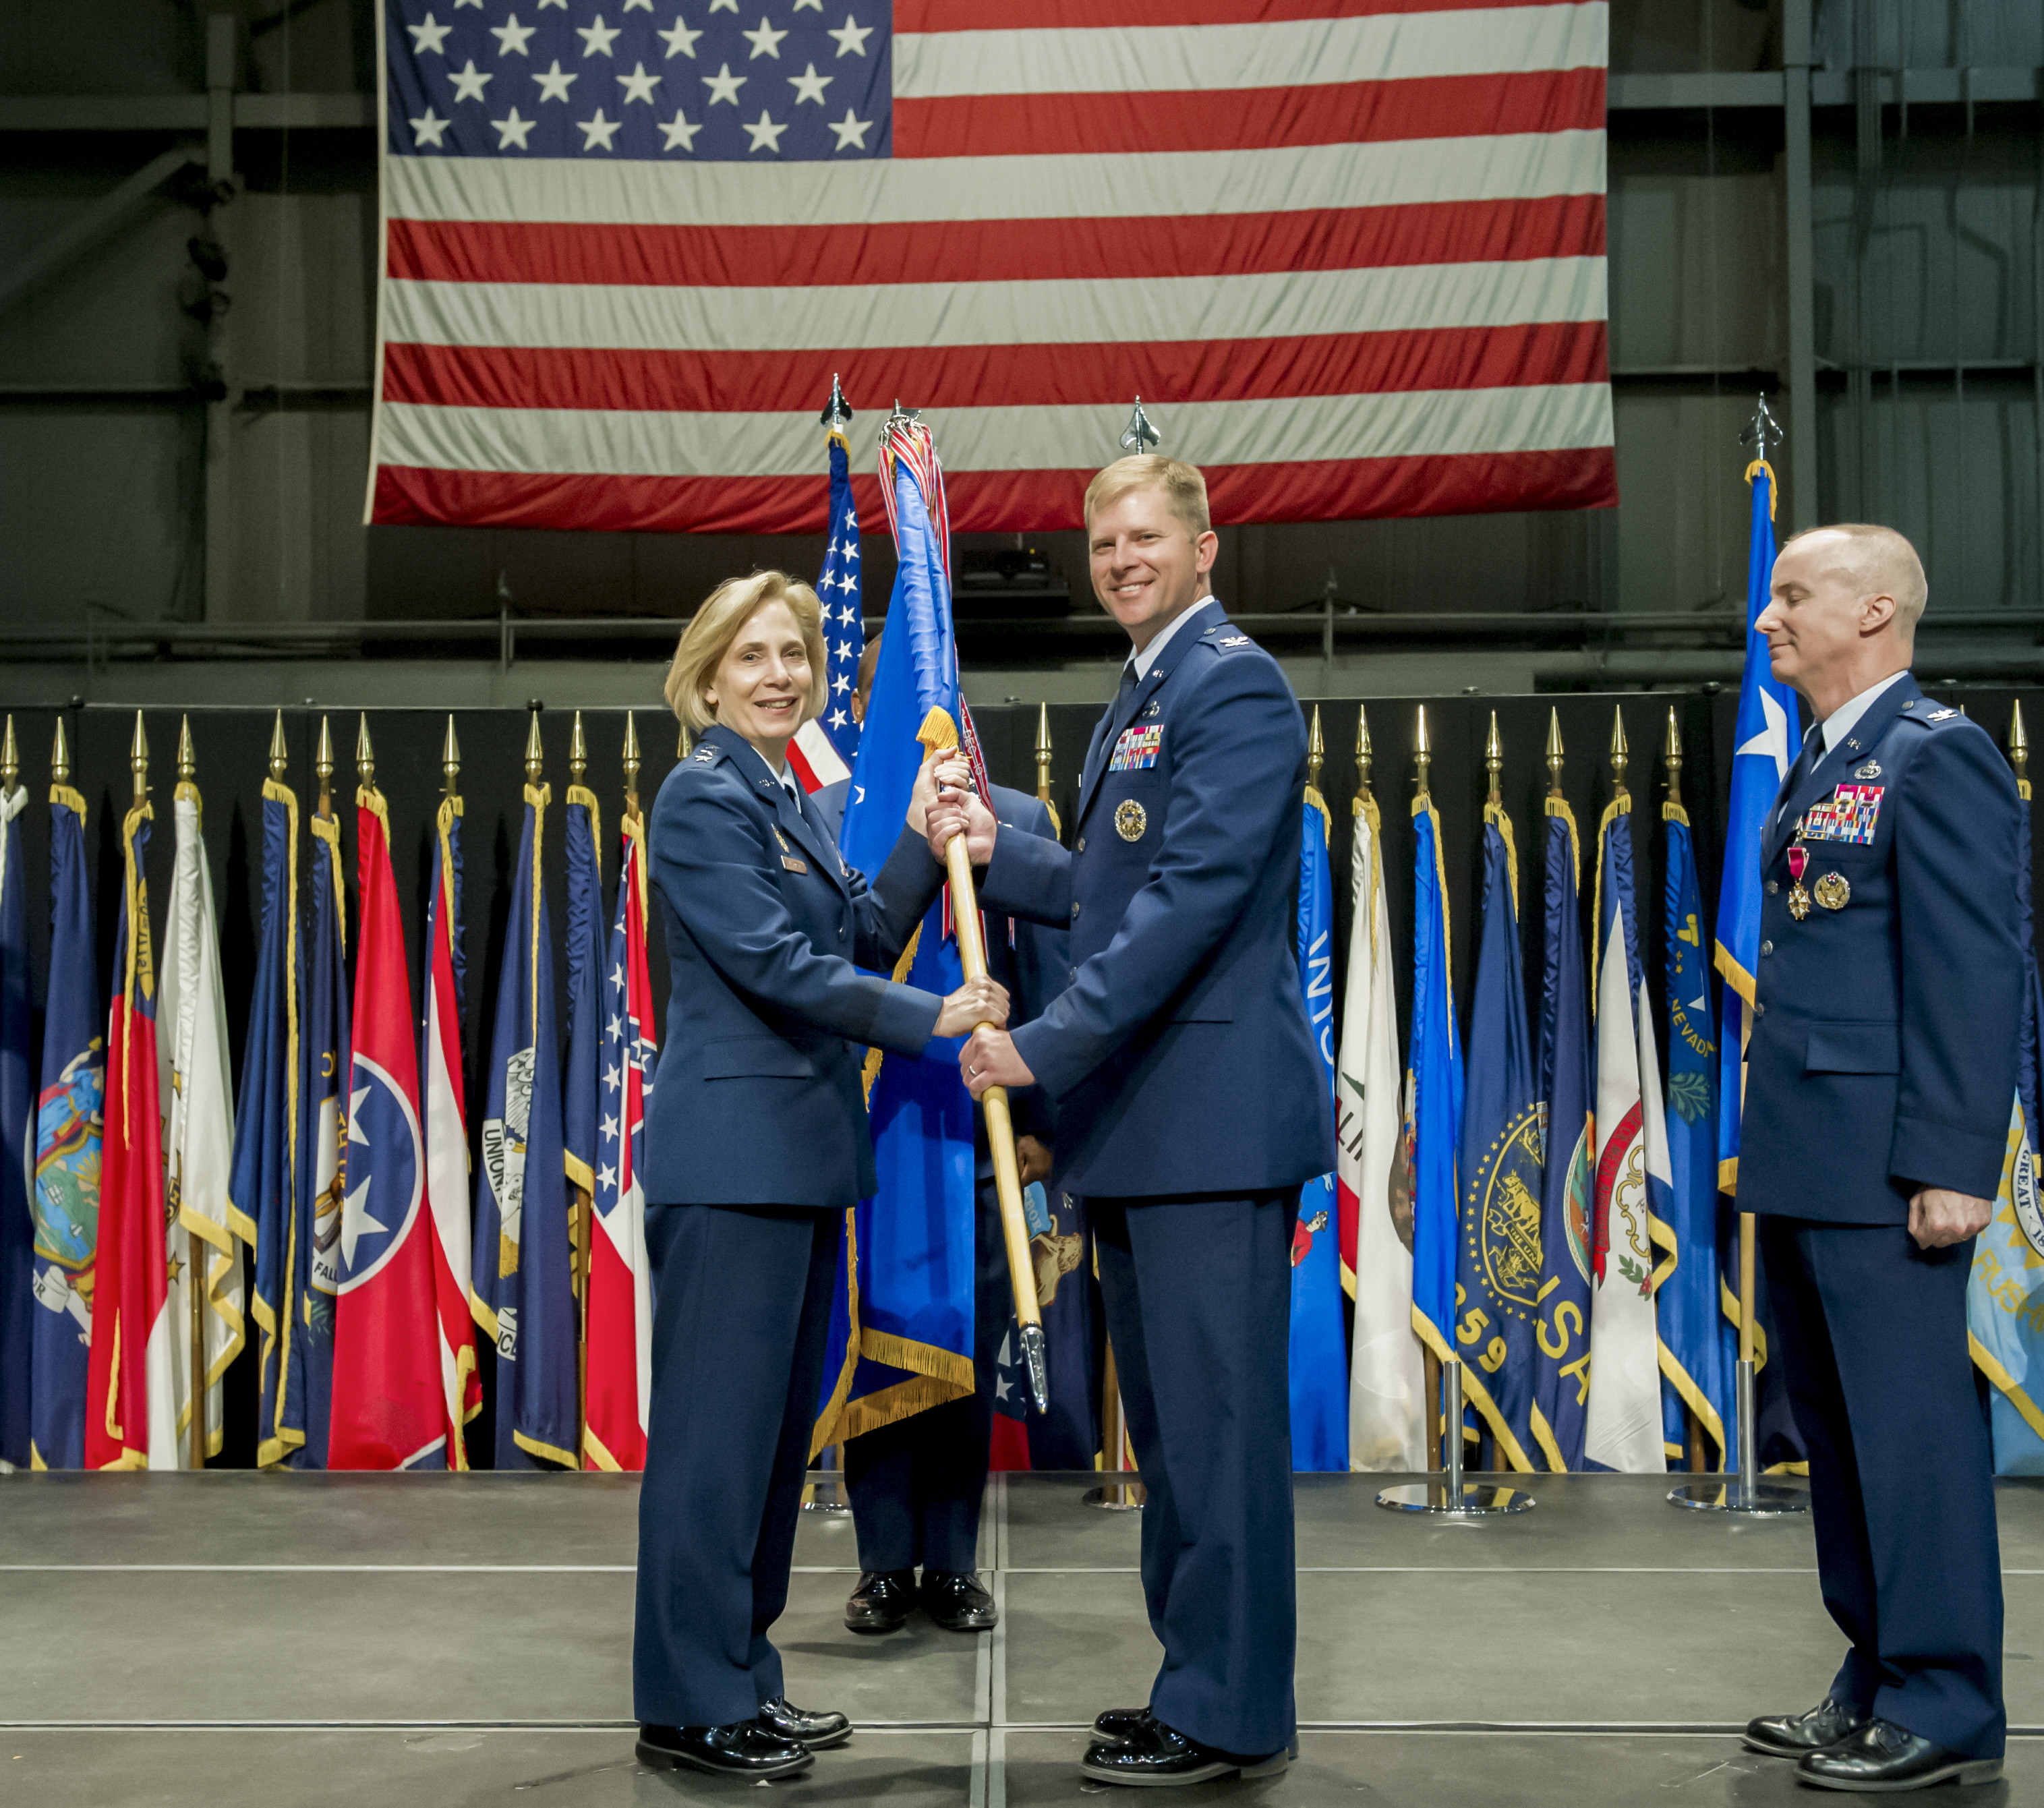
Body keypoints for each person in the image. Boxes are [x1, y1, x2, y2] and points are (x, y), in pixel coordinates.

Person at [926, 455, 1333, 1788]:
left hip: (1210, 1129)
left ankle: (1230, 1713)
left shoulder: (1233, 685)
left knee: (1216, 1441)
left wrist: (1037, 1046)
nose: (1120, 560)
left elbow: (1186, 906)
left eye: (1145, 537)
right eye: (1103, 543)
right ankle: (1198, 1685)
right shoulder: (1148, 689)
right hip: (1153, 1130)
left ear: (1206, 548)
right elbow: (1109, 887)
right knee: (1175, 1443)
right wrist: (997, 846)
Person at [632, 571, 1008, 1781]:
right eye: (752, 656)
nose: (781, 674)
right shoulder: (703, 798)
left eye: (795, 653)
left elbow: (859, 933)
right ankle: (689, 1703)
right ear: (707, 678)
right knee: (714, 1452)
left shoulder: (783, 796)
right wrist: (933, 1017)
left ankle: (742, 1675)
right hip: (732, 1169)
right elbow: (779, 965)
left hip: (794, 1169)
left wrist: (923, 840)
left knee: (766, 1451)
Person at [1738, 523, 2020, 1792]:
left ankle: (1947, 1699)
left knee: (1911, 1442)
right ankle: (1874, 1675)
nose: (1768, 619)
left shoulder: (1936, 752)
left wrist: (1956, 1162)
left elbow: (1972, 971)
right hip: (1810, 1158)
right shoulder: (1825, 758)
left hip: (1892, 1171)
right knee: (1843, 1443)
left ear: (1875, 610)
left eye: (1793, 595)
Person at [809, 635, 1065, 1637]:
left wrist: (1042, 1125)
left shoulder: (1019, 821)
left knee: (970, 1331)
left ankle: (954, 1562)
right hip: (870, 1123)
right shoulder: (828, 819)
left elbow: (1050, 983)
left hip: (980, 1124)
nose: (920, 717)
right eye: (893, 698)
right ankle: (882, 1564)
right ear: (863, 709)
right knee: (877, 1337)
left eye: (937, 697)